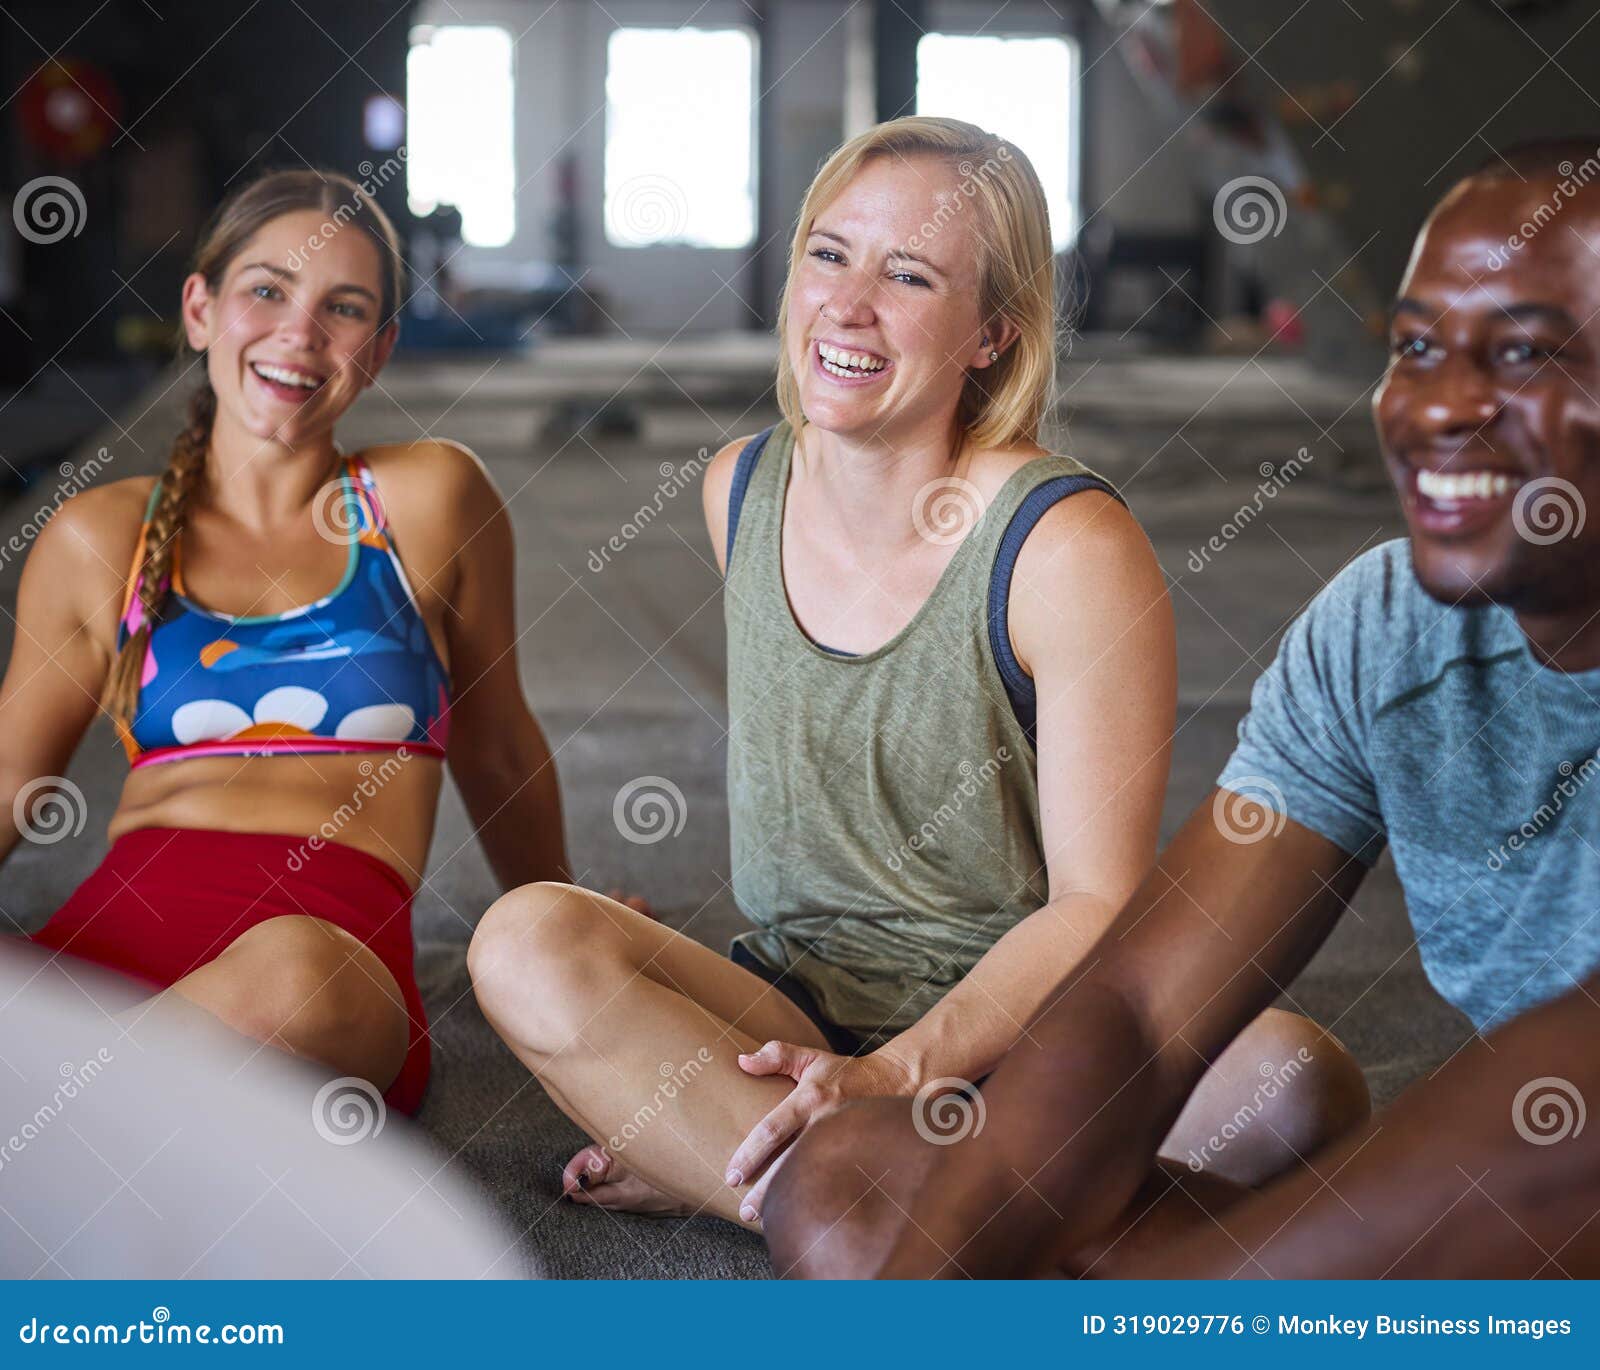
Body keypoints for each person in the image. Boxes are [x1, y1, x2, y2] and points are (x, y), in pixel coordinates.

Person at [467, 117, 1368, 1230]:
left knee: (1292, 1090)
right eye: (828, 254)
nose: (847, 306)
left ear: (990, 331)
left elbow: (1097, 904)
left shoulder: (1063, 544)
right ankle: (892, 1203)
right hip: (787, 1001)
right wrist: (844, 1064)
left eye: (907, 274)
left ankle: (773, 1175)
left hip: (1023, 1029)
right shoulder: (737, 488)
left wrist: (903, 1070)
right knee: (524, 939)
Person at [764, 138, 1600, 1278]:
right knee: (852, 1178)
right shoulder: (1384, 625)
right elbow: (1141, 1011)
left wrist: (1180, 1299)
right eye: (1415, 347)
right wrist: (944, 1267)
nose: (1439, 404)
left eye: (1521, 353)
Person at [0, 169, 570, 1115]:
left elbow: (498, 740)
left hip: (318, 976)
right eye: (266, 290)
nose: (299, 334)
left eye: (343, 309)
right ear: (199, 309)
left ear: (380, 349)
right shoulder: (101, 536)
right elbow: (11, 779)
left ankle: (62, 1119)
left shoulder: (428, 501)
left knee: (293, 975)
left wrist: (566, 922)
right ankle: (95, 1121)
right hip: (112, 941)